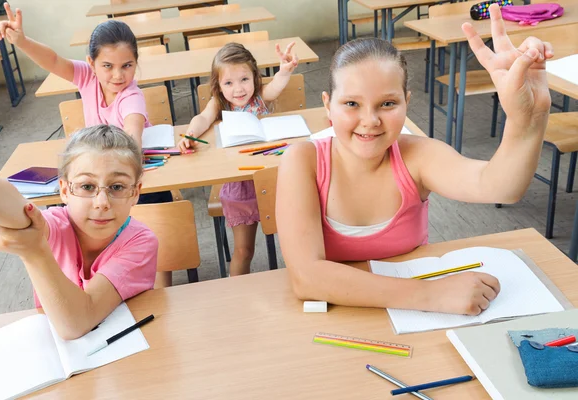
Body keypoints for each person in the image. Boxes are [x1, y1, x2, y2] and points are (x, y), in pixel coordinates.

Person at [276, 4, 552, 316]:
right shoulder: (302, 160)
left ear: (407, 102)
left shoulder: (417, 156)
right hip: (339, 322)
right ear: (328, 105)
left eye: (388, 103)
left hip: (410, 324)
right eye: (351, 103)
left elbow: (500, 187)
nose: (370, 120)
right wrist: (431, 295)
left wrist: (527, 117)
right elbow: (307, 278)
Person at [0, 125, 158, 339]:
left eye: (117, 187)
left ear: (135, 193)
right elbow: (14, 206)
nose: (102, 203)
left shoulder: (141, 242)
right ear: (64, 190)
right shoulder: (55, 224)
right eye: (87, 187)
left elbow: (76, 324)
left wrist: (34, 251)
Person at [178, 42, 298, 275]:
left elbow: (276, 87)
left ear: (254, 77)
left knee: (293, 242)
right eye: (229, 83)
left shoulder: (261, 97)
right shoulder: (219, 103)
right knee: (244, 251)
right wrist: (190, 134)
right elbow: (202, 119)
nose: (238, 89)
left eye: (244, 79)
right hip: (239, 189)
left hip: (272, 181)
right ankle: (237, 293)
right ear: (218, 86)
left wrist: (285, 70)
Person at [0, 2, 150, 147]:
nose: (118, 75)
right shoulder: (88, 76)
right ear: (92, 64)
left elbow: (132, 139)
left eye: (127, 65)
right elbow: (54, 61)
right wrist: (21, 41)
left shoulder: (132, 97)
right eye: (108, 66)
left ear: (136, 62)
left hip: (131, 160)